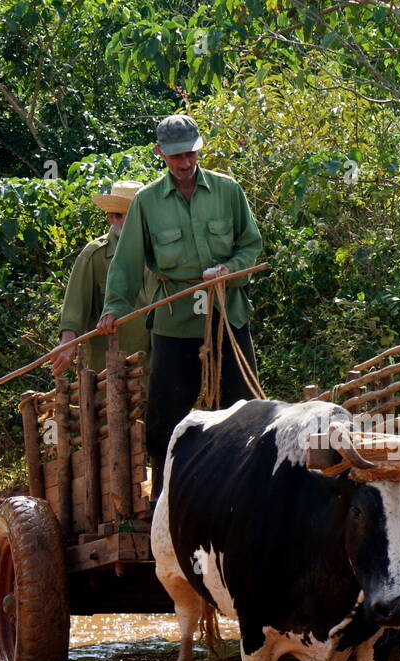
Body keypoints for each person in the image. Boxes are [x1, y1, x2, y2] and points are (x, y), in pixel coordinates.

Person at [98, 114, 263, 495]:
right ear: (160, 153)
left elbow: (251, 245)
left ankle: (243, 491)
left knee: (246, 409)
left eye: (190, 154)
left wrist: (229, 270)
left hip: (227, 314)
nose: (185, 164)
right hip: (175, 319)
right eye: (176, 157)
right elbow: (126, 262)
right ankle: (164, 492)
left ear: (198, 149)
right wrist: (114, 309)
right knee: (167, 413)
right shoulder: (147, 202)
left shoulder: (228, 190)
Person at [52, 180, 156, 379]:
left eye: (120, 215)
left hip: (157, 362)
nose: (112, 220)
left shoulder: (161, 251)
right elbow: (75, 308)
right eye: (111, 215)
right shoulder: (95, 255)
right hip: (115, 368)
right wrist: (67, 342)